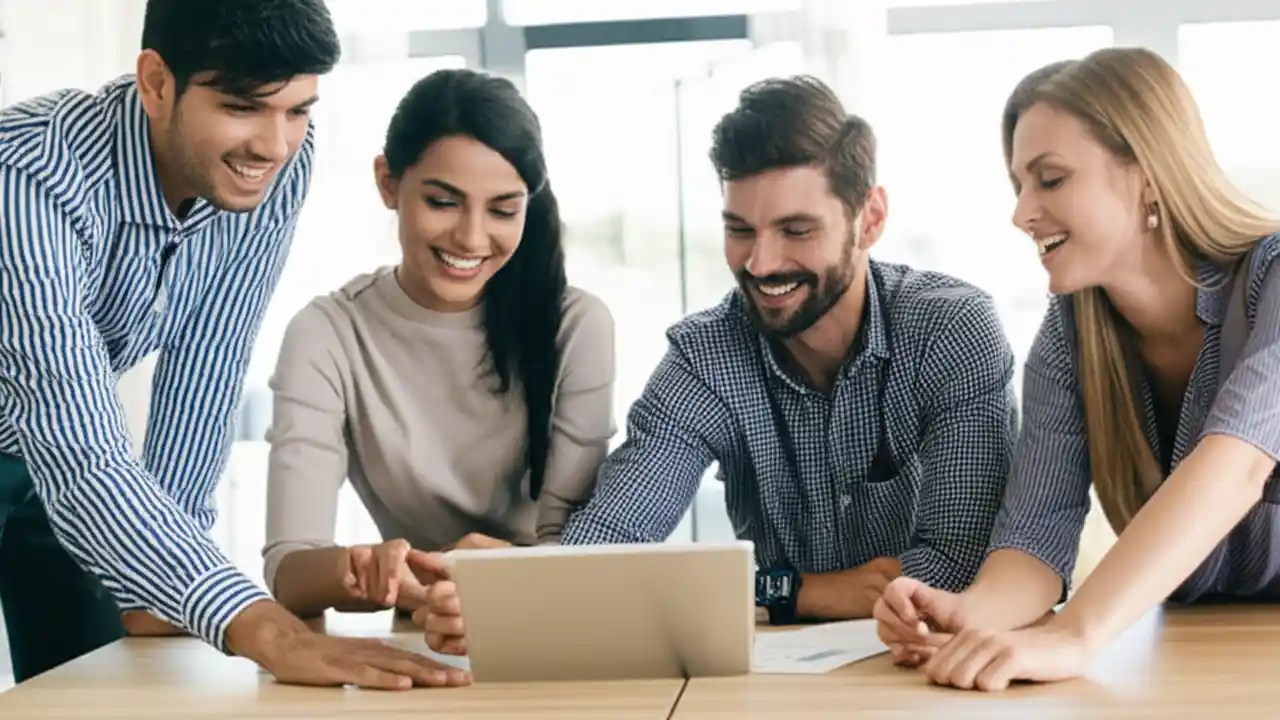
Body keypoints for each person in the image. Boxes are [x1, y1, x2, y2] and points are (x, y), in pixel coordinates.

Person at [416, 75, 1018, 655]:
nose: (760, 263)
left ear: (871, 219)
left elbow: (955, 566)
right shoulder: (705, 357)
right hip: (781, 684)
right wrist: (800, 592)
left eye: (796, 230)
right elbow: (612, 547)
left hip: (941, 663)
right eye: (739, 230)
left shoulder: (951, 330)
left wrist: (764, 595)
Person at [0, 0, 465, 689]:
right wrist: (264, 628)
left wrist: (166, 587)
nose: (274, 145)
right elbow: (80, 449)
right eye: (243, 106)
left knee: (103, 683)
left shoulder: (274, 163)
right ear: (157, 83)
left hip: (41, 452)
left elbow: (207, 370)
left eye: (298, 109)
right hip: (63, 447)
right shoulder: (28, 175)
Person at [874, 47, 1280, 692]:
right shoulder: (1071, 335)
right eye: (1019, 186)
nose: (1020, 213)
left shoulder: (1272, 280)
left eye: (1051, 179)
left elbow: (1239, 466)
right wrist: (964, 614)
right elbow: (1035, 538)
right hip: (1204, 657)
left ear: (1147, 173)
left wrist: (1075, 634)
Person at [262, 68, 615, 619]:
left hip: (549, 621)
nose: (472, 238)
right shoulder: (326, 333)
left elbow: (583, 546)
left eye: (503, 209)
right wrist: (366, 570)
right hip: (421, 629)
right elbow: (289, 568)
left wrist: (497, 578)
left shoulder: (577, 326)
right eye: (443, 202)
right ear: (387, 184)